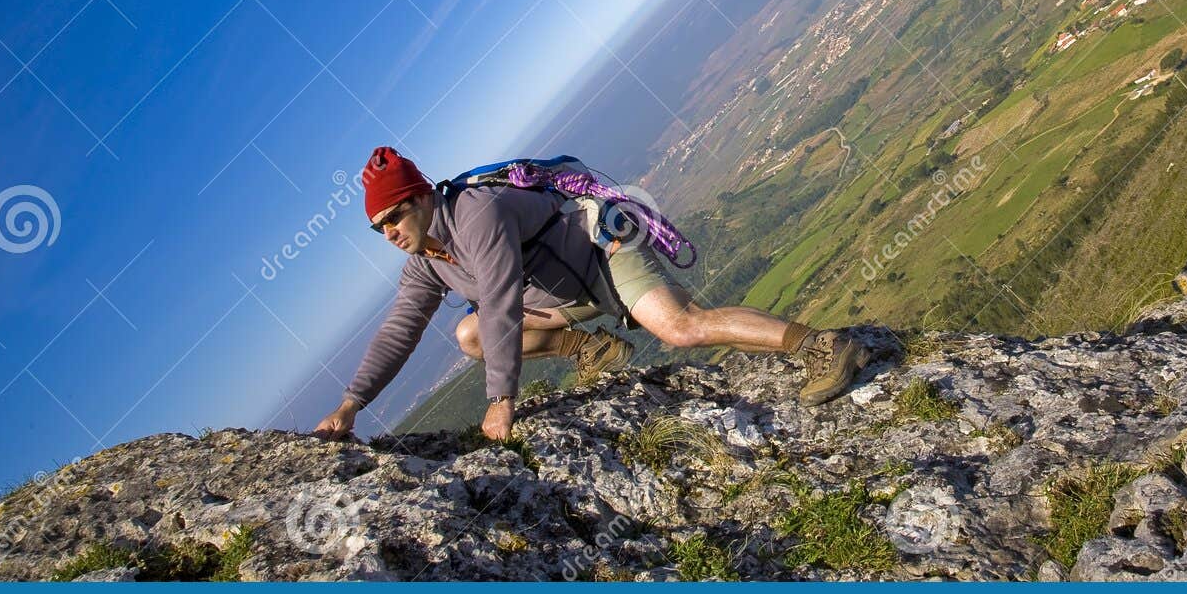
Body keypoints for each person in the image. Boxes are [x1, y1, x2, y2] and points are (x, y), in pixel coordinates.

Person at [313, 147, 866, 442]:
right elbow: (399, 331)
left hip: (600, 251)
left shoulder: (474, 213)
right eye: (378, 226)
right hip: (561, 296)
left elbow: (503, 298)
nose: (389, 231)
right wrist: (350, 405)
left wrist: (501, 400)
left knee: (682, 327)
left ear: (421, 198)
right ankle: (591, 348)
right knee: (467, 335)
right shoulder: (425, 261)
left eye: (395, 214)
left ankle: (820, 345)